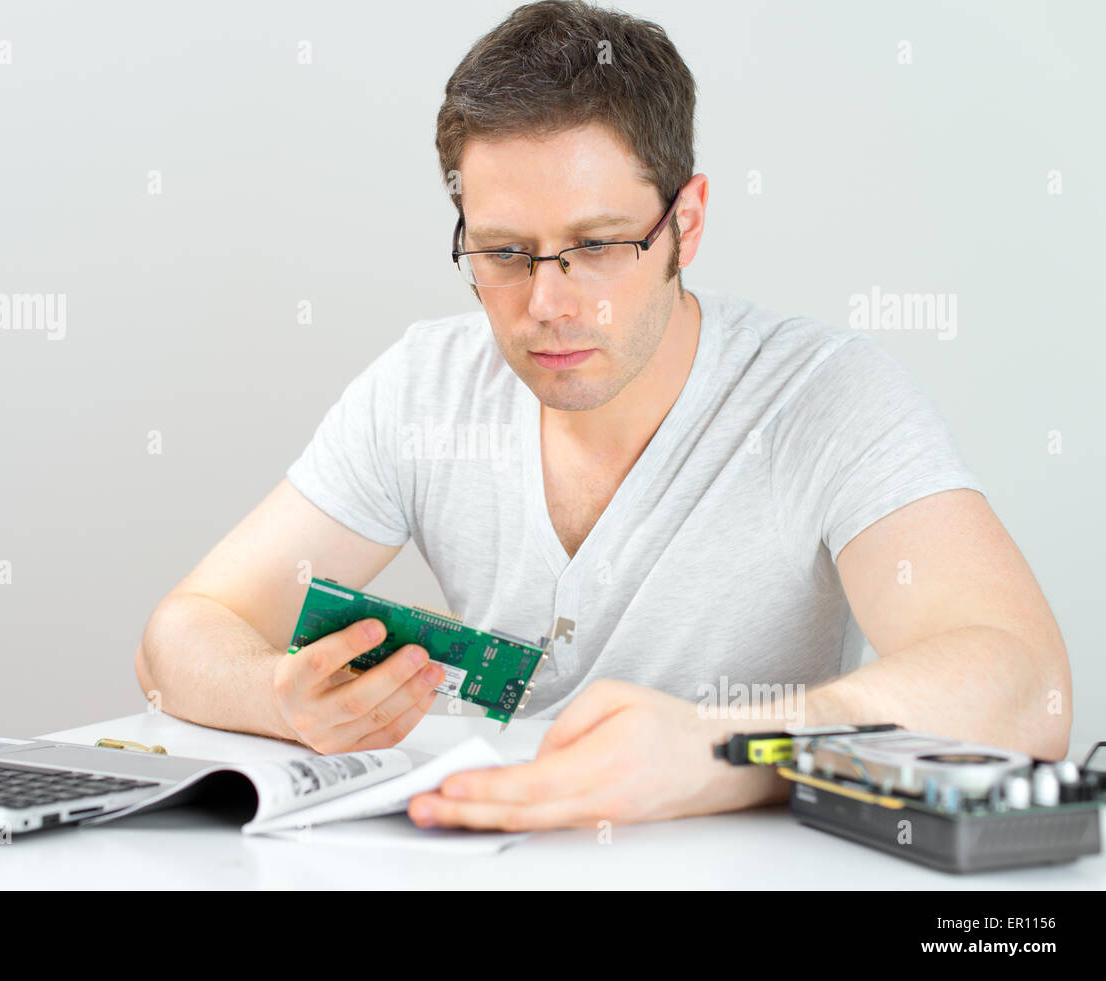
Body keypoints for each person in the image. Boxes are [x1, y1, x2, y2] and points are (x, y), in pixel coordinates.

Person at [135, 0, 1070, 831]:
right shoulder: (422, 387)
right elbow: (182, 634)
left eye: (597, 245)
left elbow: (1028, 686)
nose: (548, 302)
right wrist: (279, 696)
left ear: (686, 224)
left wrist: (718, 750)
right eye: (505, 252)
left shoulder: (827, 396)